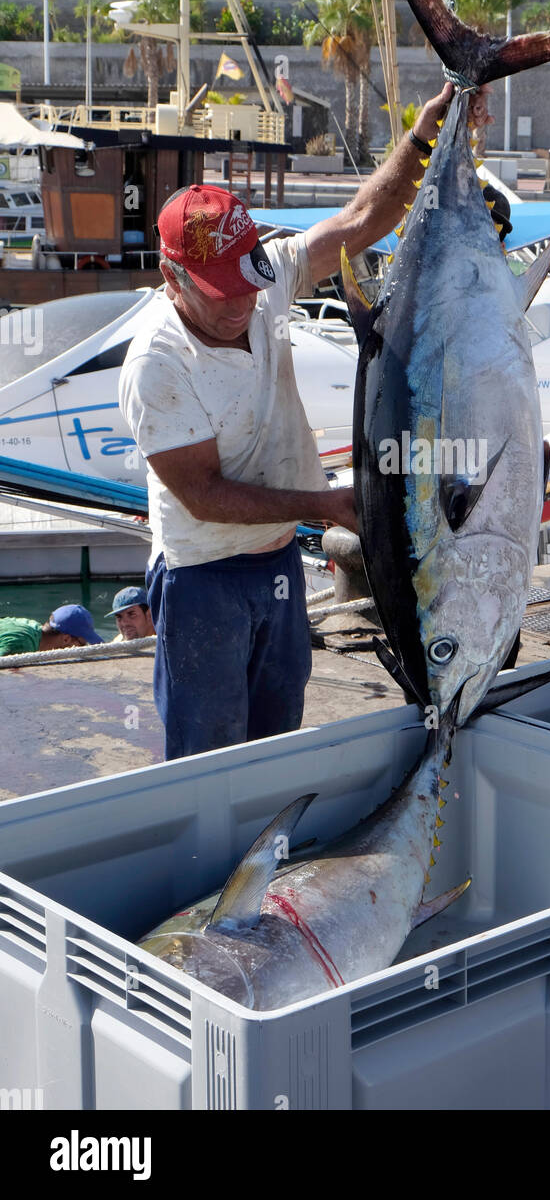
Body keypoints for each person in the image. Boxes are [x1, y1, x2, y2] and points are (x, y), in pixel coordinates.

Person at [120, 81, 491, 762]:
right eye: (220, 292)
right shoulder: (157, 364)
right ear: (172, 277)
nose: (243, 302)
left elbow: (359, 220)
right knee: (206, 761)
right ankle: (215, 868)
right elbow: (201, 493)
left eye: (247, 281)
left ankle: (273, 861)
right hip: (204, 579)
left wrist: (425, 136)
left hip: (280, 565)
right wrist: (320, 504)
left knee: (277, 745)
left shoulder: (261, 285)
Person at [0, 605, 102, 657]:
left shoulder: (32, 626)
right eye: (82, 645)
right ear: (66, 639)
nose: (83, 650)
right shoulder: (20, 645)